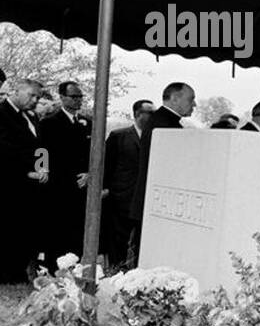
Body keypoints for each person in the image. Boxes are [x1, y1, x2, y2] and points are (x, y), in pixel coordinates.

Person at [130, 82, 195, 235]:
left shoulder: (163, 121)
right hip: (156, 201)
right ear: (175, 99)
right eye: (190, 99)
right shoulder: (165, 125)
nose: (194, 104)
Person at [38, 80, 91, 267]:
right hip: (57, 186)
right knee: (57, 230)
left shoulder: (87, 123)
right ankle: (53, 268)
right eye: (73, 97)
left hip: (81, 186)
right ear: (62, 98)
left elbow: (94, 153)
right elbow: (41, 151)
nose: (78, 100)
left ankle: (74, 267)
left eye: (80, 97)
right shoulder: (48, 123)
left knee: (77, 230)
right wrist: (41, 170)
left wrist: (89, 174)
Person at [0, 78, 46, 282]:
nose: (35, 100)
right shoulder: (2, 114)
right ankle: (6, 273)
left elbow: (41, 146)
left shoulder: (32, 117)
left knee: (25, 229)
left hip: (31, 185)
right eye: (32, 95)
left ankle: (17, 271)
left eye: (38, 97)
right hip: (9, 183)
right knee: (9, 228)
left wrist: (43, 167)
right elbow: (5, 150)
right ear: (16, 91)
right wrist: (27, 172)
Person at [103, 99, 153, 268]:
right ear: (138, 114)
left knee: (141, 238)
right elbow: (107, 164)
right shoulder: (119, 136)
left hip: (145, 197)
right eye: (150, 113)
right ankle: (116, 270)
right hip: (122, 196)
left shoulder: (155, 137)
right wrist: (106, 188)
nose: (154, 117)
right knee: (119, 238)